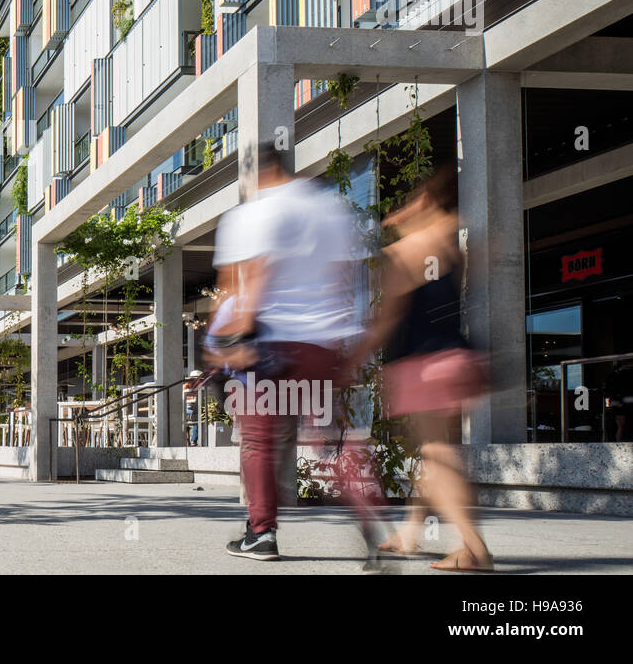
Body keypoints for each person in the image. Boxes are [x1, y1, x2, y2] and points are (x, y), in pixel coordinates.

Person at [206, 142, 374, 563]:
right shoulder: (331, 209)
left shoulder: (249, 214)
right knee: (331, 442)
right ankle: (374, 525)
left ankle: (262, 533)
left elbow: (245, 281)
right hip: (322, 346)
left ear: (254, 173)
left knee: (259, 442)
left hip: (272, 345)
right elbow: (343, 281)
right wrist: (342, 350)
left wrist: (229, 342)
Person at [347, 167, 492, 572]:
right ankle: (412, 533)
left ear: (425, 201)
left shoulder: (407, 251)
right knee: (433, 454)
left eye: (409, 202)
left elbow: (387, 320)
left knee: (436, 453)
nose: (399, 212)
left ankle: (475, 549)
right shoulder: (453, 242)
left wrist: (353, 360)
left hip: (423, 365)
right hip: (457, 359)